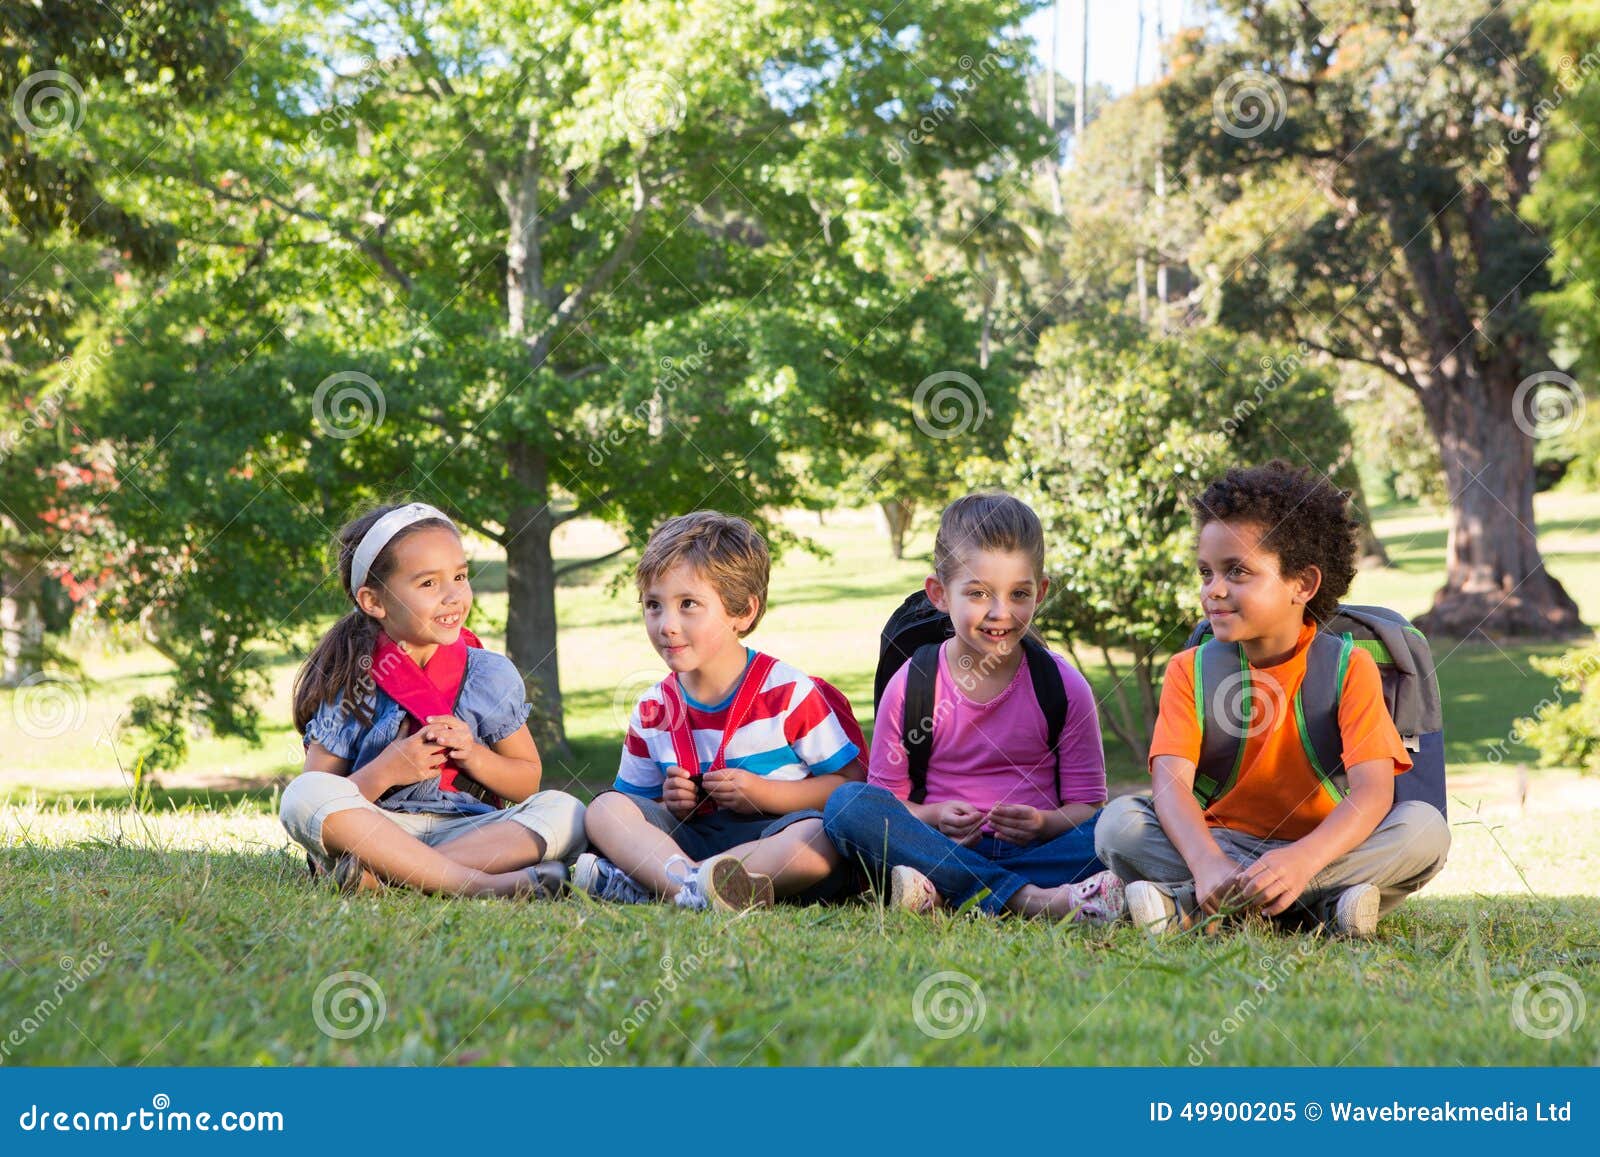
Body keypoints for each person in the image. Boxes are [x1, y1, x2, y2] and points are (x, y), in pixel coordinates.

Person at [1095, 462, 1450, 937]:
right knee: (1118, 824)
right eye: (1206, 573)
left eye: (1237, 572)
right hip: (1221, 846)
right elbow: (1169, 785)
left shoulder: (1351, 669)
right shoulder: (1190, 671)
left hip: (1324, 848)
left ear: (1302, 585)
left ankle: (1191, 909)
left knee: (1425, 830)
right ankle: (1325, 909)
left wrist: (1302, 861)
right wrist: (1207, 864)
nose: (1214, 590)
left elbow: (1372, 793)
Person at [823, 492, 1125, 922]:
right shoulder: (912, 684)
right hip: (938, 845)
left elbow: (1087, 808)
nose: (1000, 613)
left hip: (1040, 850)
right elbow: (886, 802)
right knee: (847, 806)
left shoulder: (1062, 685)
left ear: (1040, 592)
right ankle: (1032, 900)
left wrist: (1043, 824)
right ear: (940, 594)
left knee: (1127, 822)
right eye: (979, 593)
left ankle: (947, 890)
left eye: (1019, 594)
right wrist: (933, 816)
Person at [279, 501, 585, 897]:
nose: (453, 596)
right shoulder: (349, 679)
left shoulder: (489, 674)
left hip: (468, 828)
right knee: (301, 797)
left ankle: (391, 875)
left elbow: (527, 781)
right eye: (428, 584)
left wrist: (473, 754)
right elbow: (322, 790)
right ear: (373, 601)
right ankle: (477, 885)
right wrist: (387, 771)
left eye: (460, 576)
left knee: (568, 812)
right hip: (379, 828)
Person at [575, 511, 865, 911]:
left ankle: (676, 885)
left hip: (770, 841)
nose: (666, 625)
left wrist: (764, 793)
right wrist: (669, 803)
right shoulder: (652, 709)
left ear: (742, 612)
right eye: (654, 605)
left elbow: (847, 787)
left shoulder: (787, 691)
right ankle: (696, 887)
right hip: (685, 840)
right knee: (605, 809)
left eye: (688, 604)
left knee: (818, 840)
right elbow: (636, 810)